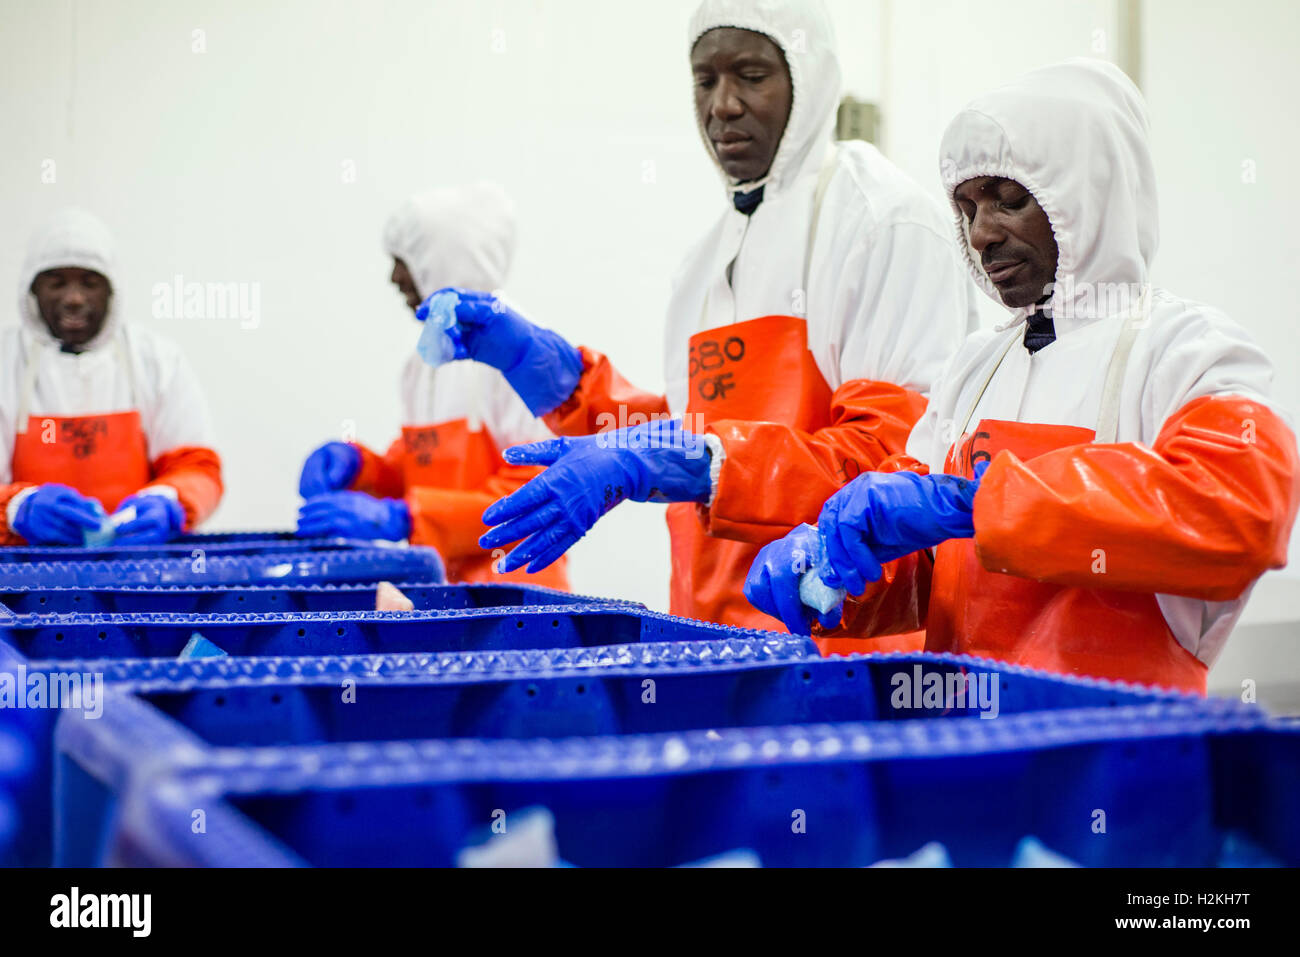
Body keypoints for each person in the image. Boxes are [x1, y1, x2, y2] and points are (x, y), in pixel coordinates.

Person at [745, 59, 1299, 693]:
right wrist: (837, 577)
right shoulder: (977, 366)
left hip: (1117, 762)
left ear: (1087, 198)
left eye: (1010, 201)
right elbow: (925, 577)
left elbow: (1241, 514)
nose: (982, 234)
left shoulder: (1185, 352)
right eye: (967, 207)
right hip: (965, 750)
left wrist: (978, 503)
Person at [430, 0, 974, 634]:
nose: (723, 105)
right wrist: (560, 380)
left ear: (808, 77)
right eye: (705, 79)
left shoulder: (879, 224)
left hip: (834, 647)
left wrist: (677, 461)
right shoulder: (707, 259)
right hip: (709, 639)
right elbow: (687, 434)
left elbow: (886, 463)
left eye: (750, 74)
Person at [295, 184, 570, 590]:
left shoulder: (517, 353)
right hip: (450, 592)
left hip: (520, 599)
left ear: (440, 263)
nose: (394, 279)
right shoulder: (425, 361)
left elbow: (537, 490)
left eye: (402, 262)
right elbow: (420, 465)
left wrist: (405, 518)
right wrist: (360, 469)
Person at [0, 208, 223, 546]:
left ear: (111, 290)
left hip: (138, 582)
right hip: (21, 587)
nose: (74, 299)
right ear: (32, 290)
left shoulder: (156, 360)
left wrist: (170, 502)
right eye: (57, 282)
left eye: (89, 283)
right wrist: (16, 509)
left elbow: (198, 467)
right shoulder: (5, 362)